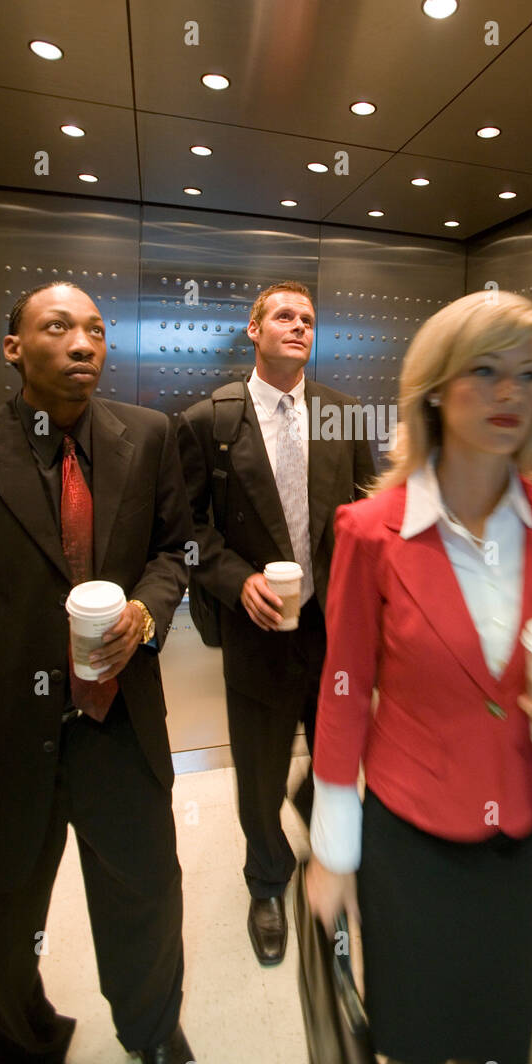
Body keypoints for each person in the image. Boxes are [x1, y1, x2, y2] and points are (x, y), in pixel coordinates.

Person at [305, 289, 532, 1064]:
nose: (511, 393)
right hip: (410, 840)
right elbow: (343, 691)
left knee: (498, 1047)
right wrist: (334, 853)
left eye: (528, 374)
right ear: (435, 389)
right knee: (410, 1046)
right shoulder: (371, 532)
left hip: (519, 834)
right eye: (485, 369)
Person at [0, 282, 195, 1064]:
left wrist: (146, 607)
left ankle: (153, 1030)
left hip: (119, 728)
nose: (83, 343)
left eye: (97, 330)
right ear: (13, 348)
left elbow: (174, 550)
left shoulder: (148, 437)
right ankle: (29, 1053)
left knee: (145, 897)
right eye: (59, 327)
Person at [177, 282, 374, 966]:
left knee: (335, 760)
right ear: (254, 329)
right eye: (284, 316)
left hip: (331, 629)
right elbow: (189, 532)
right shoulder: (209, 420)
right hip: (256, 631)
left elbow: (365, 519)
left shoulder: (343, 415)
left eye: (309, 319)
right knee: (259, 772)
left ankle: (329, 867)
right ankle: (267, 880)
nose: (299, 327)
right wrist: (237, 583)